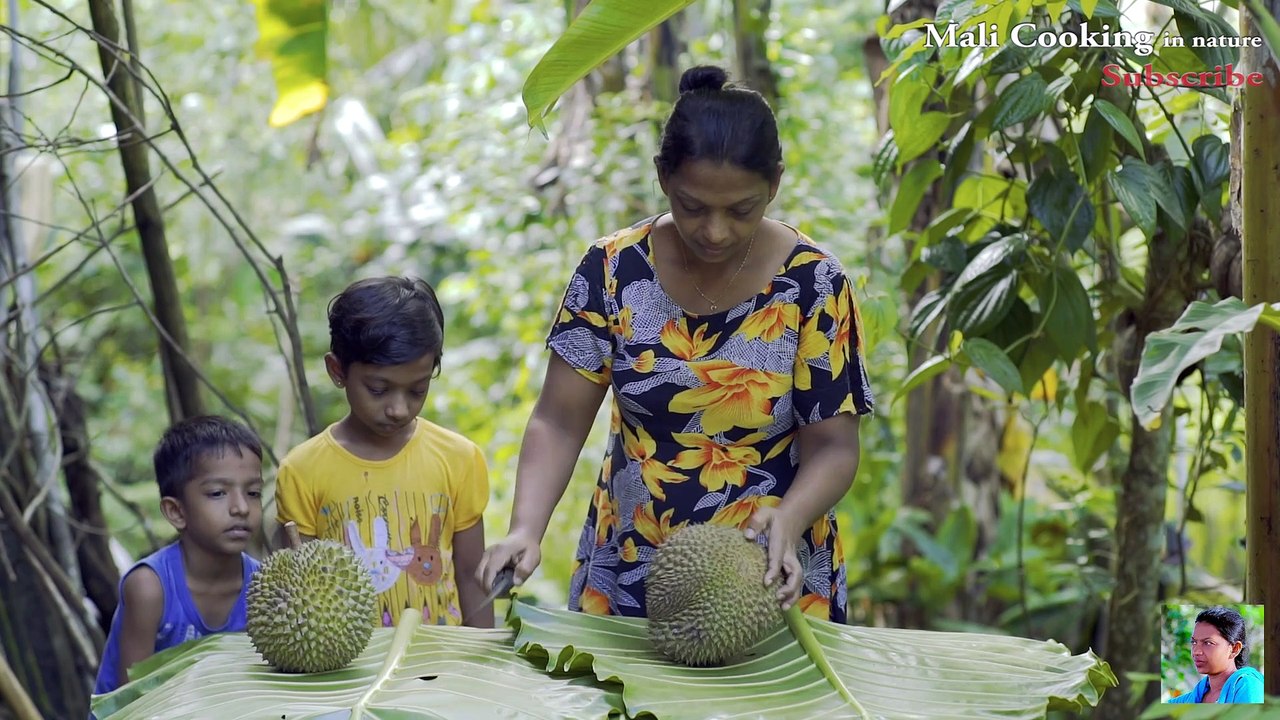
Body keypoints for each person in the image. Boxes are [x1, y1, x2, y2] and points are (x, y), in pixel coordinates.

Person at [477, 65, 875, 621]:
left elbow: (834, 446)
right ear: (664, 176)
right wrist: (525, 528)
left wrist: (789, 517)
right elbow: (559, 421)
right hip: (634, 568)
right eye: (693, 206)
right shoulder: (613, 270)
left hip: (771, 573)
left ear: (775, 184)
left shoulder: (813, 283)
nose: (715, 231)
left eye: (741, 209)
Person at [275, 276, 492, 628]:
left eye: (417, 390)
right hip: (346, 676)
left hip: (443, 671)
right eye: (378, 389)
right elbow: (292, 596)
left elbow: (470, 575)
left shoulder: (459, 458)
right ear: (337, 370)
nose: (398, 409)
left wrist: (485, 664)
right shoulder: (302, 471)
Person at [93, 416, 264, 695]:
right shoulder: (150, 587)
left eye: (254, 492)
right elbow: (133, 700)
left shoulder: (265, 587)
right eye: (218, 493)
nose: (241, 508)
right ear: (176, 511)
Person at [1168, 606, 1264, 703]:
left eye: (1208, 643)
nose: (1196, 651)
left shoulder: (1249, 687)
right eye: (1194, 642)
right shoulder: (1192, 698)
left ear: (1234, 649)